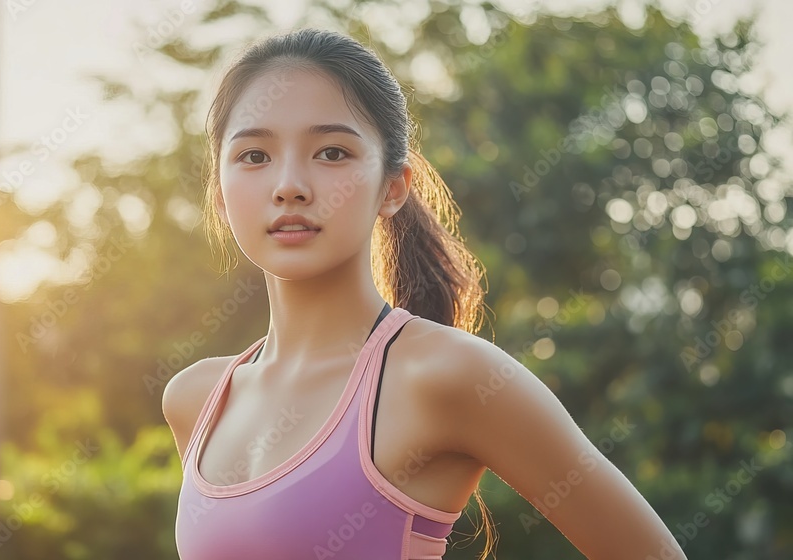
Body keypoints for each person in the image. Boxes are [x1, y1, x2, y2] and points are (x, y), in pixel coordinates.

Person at [162, 27, 687, 560]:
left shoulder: (452, 377)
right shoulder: (197, 398)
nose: (290, 184)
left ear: (392, 188)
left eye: (332, 152)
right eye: (254, 156)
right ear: (220, 196)